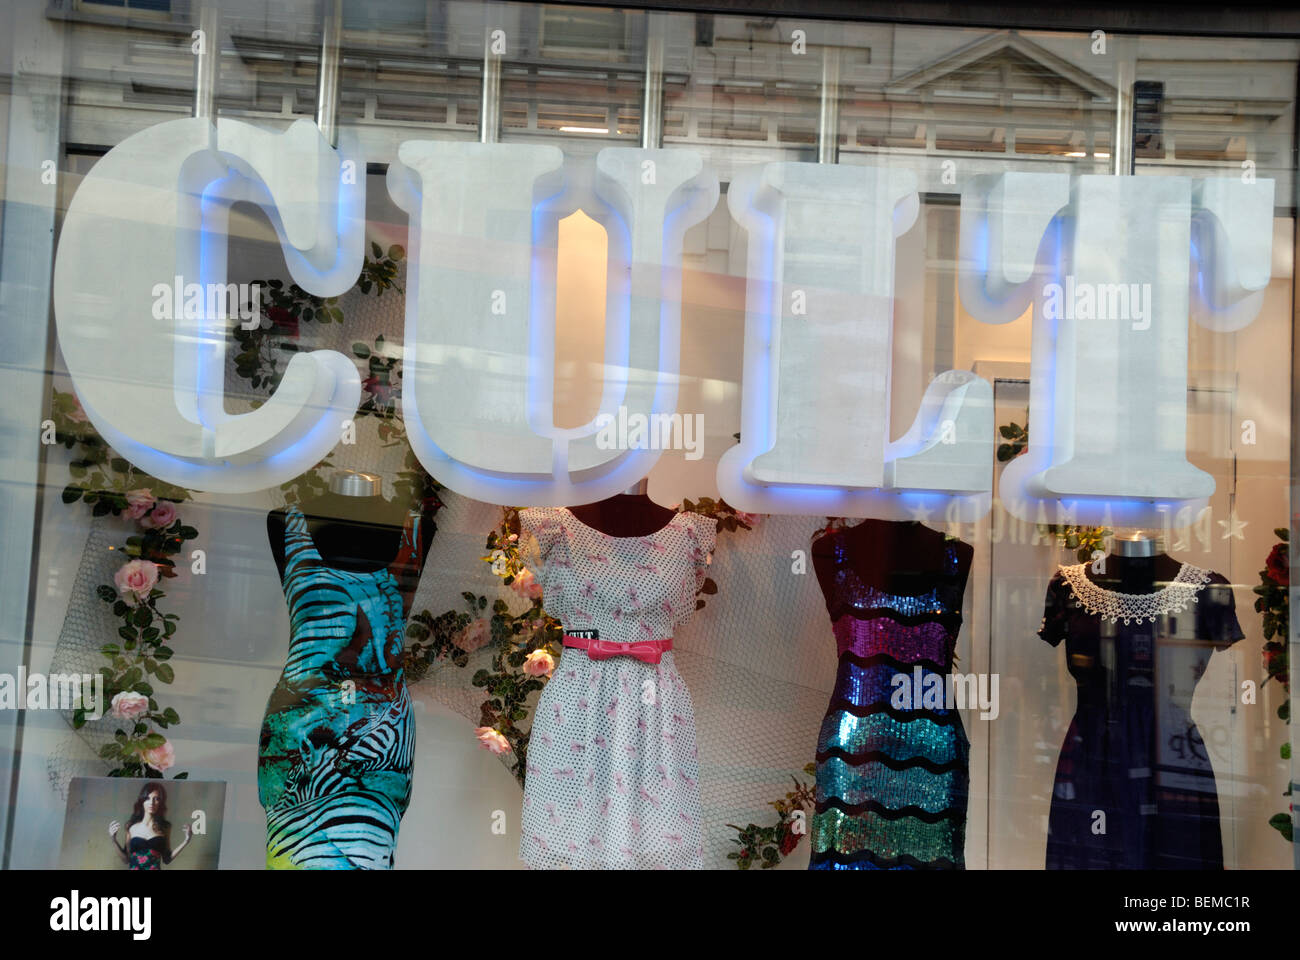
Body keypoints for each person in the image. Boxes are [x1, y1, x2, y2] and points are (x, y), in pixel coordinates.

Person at [108, 782, 193, 870]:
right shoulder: (131, 826)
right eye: (148, 798)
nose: (151, 802)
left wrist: (186, 841)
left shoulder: (164, 827)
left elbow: (167, 859)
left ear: (160, 803)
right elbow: (126, 859)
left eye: (156, 799)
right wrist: (113, 840)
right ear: (142, 801)